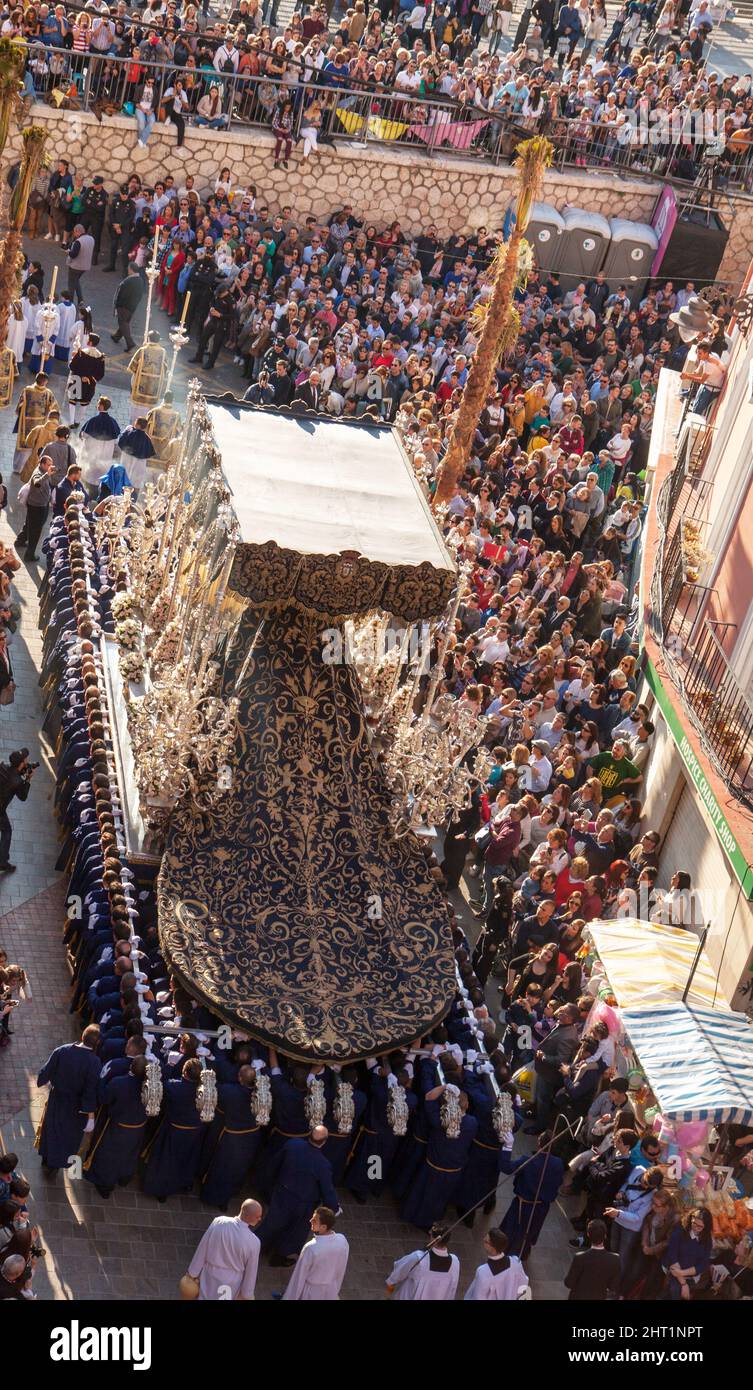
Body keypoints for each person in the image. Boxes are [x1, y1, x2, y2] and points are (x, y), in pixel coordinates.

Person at [257, 1125, 339, 1266]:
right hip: (304, 1204)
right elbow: (327, 1190)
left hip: (283, 1193)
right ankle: (280, 1257)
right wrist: (333, 1207)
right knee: (294, 1232)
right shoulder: (323, 1165)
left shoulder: (292, 1145)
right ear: (324, 1142)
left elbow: (274, 1164)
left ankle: (256, 1248)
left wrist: (268, 1184)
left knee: (272, 1222)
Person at [35, 1025, 102, 1172]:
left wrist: (42, 1080)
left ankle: (46, 1159)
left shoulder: (62, 1050)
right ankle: (56, 1164)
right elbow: (90, 1090)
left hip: (57, 1099)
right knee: (67, 1136)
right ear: (97, 1044)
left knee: (51, 1129)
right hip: (76, 1107)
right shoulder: (94, 1062)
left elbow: (46, 1071)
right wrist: (90, 1115)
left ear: (82, 1036)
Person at [83, 1055, 149, 1198]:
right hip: (138, 1128)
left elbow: (104, 1098)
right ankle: (123, 1178)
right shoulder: (151, 1086)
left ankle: (105, 1184)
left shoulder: (119, 1083)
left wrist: (101, 1081)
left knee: (109, 1156)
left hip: (118, 1128)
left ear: (131, 1066)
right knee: (129, 1155)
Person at [498, 1128, 565, 1259]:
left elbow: (506, 1167)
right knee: (530, 1232)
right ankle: (523, 1252)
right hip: (541, 1207)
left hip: (523, 1205)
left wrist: (508, 1146)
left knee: (514, 1232)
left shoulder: (528, 1161)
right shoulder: (558, 1163)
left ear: (539, 1142)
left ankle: (508, 1256)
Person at [186, 1199, 262, 1300]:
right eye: (257, 1216)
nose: (260, 1219)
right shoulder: (254, 1242)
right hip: (231, 1283)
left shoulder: (218, 1222)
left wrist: (193, 1272)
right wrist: (247, 1294)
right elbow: (251, 1271)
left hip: (209, 1274)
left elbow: (203, 1247)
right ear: (249, 1216)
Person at [282, 1206, 350, 1301]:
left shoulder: (311, 1248)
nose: (310, 1221)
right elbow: (341, 1269)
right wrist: (335, 1290)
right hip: (331, 1289)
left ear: (323, 1227)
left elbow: (298, 1278)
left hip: (311, 1292)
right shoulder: (342, 1240)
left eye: (314, 1220)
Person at [386, 1223, 460, 1300]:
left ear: (434, 1239)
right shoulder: (455, 1262)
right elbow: (452, 1288)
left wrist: (389, 1292)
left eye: (430, 1234)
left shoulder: (419, 1258)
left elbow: (399, 1272)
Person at [464, 1227, 530, 1300]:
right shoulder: (516, 1262)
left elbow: (478, 1297)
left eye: (486, 1241)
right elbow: (523, 1283)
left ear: (493, 1248)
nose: (483, 1240)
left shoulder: (483, 1272)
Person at [564, 1217, 620, 1299]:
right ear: (605, 1235)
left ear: (588, 1235)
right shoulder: (615, 1259)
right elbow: (613, 1286)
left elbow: (569, 1283)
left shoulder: (580, 1257)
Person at [0, 750, 35, 872]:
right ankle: (2, 861)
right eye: (25, 760)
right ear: (21, 763)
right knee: (7, 831)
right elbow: (23, 797)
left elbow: (9, 775)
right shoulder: (18, 781)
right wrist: (28, 779)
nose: (27, 761)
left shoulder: (2, 765)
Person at [16, 454, 55, 560]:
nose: (50, 467)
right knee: (35, 532)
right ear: (42, 464)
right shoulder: (38, 473)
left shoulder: (43, 471)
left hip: (40, 505)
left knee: (29, 524)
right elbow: (37, 483)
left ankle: (20, 541)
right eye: (48, 465)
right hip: (37, 507)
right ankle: (29, 555)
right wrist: (47, 474)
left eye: (51, 465)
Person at [117, 418, 156, 494]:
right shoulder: (147, 438)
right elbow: (149, 452)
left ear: (137, 425)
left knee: (124, 476)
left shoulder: (130, 432)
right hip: (140, 462)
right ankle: (133, 497)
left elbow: (121, 440)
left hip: (127, 458)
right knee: (136, 481)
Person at [111, 265, 144, 353]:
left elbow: (122, 295)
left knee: (123, 322)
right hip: (132, 306)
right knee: (124, 322)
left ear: (132, 270)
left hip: (124, 306)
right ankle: (116, 336)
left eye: (128, 269)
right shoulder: (140, 280)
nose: (127, 270)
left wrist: (118, 305)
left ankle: (130, 343)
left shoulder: (129, 281)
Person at [66, 224, 95, 306]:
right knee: (76, 281)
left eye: (74, 232)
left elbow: (73, 254)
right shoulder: (91, 239)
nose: (74, 234)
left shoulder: (78, 241)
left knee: (71, 284)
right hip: (85, 266)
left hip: (76, 266)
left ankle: (70, 302)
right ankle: (80, 300)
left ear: (77, 231)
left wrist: (68, 252)